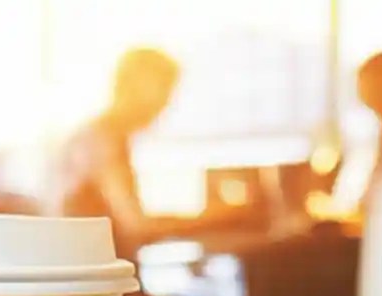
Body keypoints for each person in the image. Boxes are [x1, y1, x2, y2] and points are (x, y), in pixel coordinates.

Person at [51, 48, 246, 256]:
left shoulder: (91, 135)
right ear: (139, 89)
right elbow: (137, 226)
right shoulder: (104, 142)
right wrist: (219, 217)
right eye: (165, 91)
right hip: (100, 280)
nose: (166, 105)